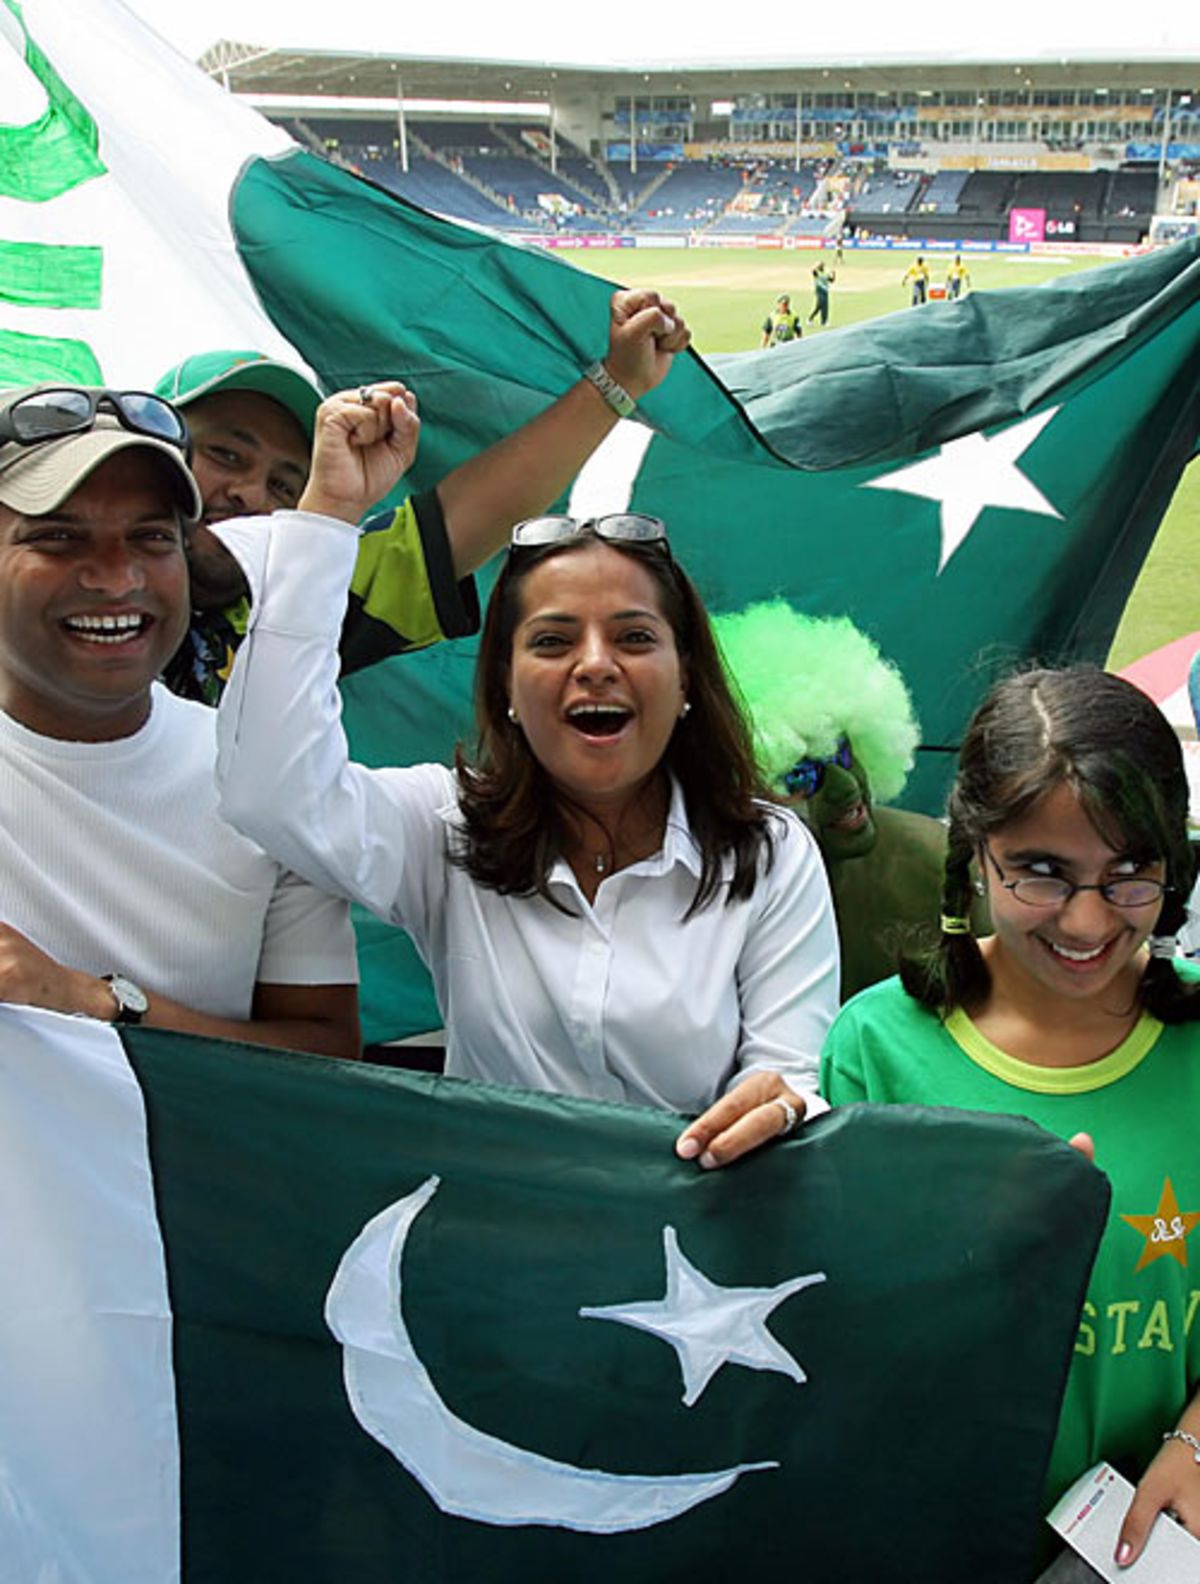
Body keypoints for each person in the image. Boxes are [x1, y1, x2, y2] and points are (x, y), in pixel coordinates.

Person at [214, 384, 841, 1170]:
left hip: (696, 1254)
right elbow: (267, 790)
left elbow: (791, 1069)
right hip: (498, 1251)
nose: (595, 666)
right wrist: (327, 520)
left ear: (686, 680)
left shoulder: (770, 852)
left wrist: (781, 1104)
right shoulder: (444, 829)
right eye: (551, 641)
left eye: (635, 637)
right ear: (504, 689)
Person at [820, 666, 1200, 1572]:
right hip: (925, 1535)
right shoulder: (876, 1045)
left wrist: (1194, 1446)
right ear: (974, 853)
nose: (1086, 919)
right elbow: (835, 1321)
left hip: (1157, 1545)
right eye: (1041, 872)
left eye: (1129, 876)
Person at [0, 385, 359, 1055]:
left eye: (152, 538)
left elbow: (326, 1057)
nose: (115, 579)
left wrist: (92, 1001)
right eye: (57, 538)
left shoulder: (269, 785)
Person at [155, 289, 690, 703]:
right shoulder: (76, 582)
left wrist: (617, 381)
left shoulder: (293, 603)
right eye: (226, 455)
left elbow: (461, 521)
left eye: (283, 486)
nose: (250, 494)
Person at [716, 602, 976, 999]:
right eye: (800, 775)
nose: (847, 788)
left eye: (842, 754)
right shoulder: (693, 900)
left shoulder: (938, 862)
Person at [807, 263, 835, 327]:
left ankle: (824, 322)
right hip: (819, 290)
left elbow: (832, 280)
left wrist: (833, 273)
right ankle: (810, 319)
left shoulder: (825, 273)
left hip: (825, 291)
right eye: (820, 266)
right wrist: (816, 266)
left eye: (822, 266)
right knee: (819, 305)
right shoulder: (816, 273)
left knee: (825, 307)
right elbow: (812, 270)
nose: (821, 267)